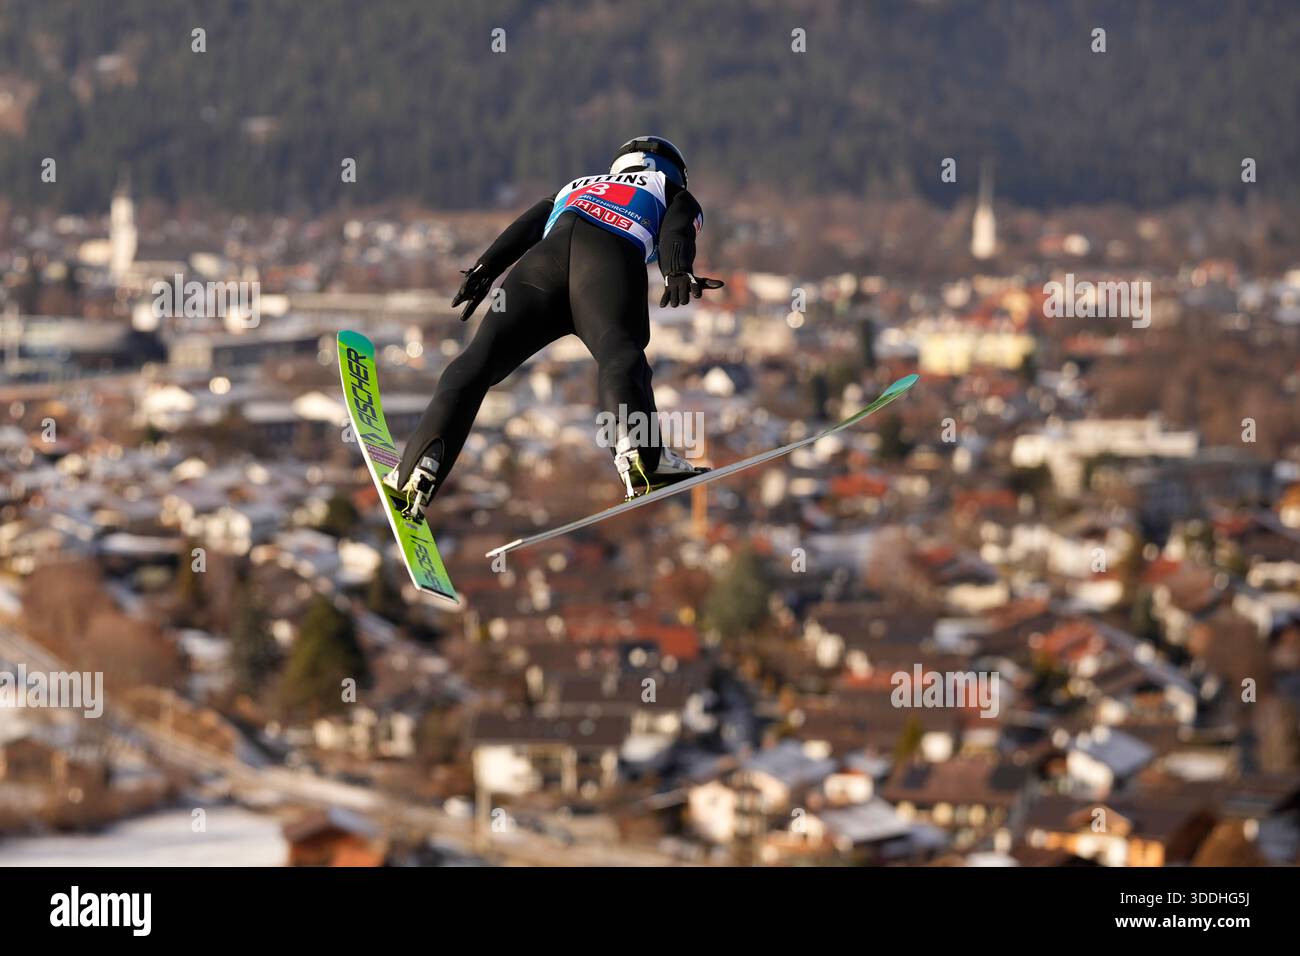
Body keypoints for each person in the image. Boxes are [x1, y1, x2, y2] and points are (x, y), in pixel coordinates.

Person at [386, 136, 725, 520]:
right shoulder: (670, 189)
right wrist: (677, 270)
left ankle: (417, 466)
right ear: (674, 170)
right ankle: (639, 455)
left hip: (539, 267)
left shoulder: (575, 185)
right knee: (620, 351)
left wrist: (485, 269)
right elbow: (677, 230)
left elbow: (526, 227)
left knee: (478, 361)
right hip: (607, 261)